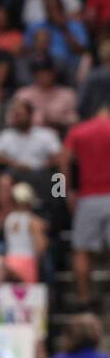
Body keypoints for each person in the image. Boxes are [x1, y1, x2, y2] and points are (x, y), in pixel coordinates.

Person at [62, 100, 110, 309]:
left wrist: (66, 191)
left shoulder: (78, 131)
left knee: (82, 250)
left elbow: (63, 160)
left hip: (88, 197)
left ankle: (83, 298)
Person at [0, 98, 62, 172]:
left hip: (40, 173)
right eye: (14, 115)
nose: (15, 118)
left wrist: (37, 166)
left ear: (30, 115)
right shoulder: (6, 134)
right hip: (14, 173)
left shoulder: (47, 134)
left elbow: (58, 158)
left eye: (19, 115)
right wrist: (15, 164)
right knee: (5, 180)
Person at [0, 182, 46, 283]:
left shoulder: (9, 218)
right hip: (27, 260)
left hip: (10, 259)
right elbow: (41, 246)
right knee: (27, 295)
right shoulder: (33, 221)